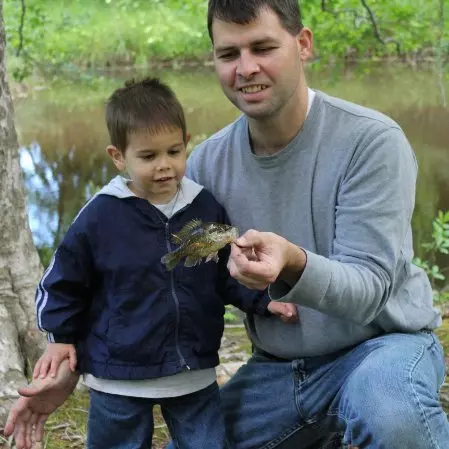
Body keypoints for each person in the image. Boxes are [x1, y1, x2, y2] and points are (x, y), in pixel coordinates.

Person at [5, 1, 449, 448]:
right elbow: (140, 273)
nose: (246, 68)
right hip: (277, 371)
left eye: (263, 47)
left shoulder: (371, 142)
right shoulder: (204, 164)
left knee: (392, 414)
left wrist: (293, 263)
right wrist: (72, 358)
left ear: (303, 44)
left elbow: (371, 288)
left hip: (382, 349)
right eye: (228, 54)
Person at [4, 76, 298, 449]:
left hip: (193, 371)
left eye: (174, 152)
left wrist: (264, 300)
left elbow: (227, 272)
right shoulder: (100, 217)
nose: (164, 166)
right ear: (118, 157)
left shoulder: (204, 206)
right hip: (118, 376)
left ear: (186, 144)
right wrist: (60, 337)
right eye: (148, 156)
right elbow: (63, 281)